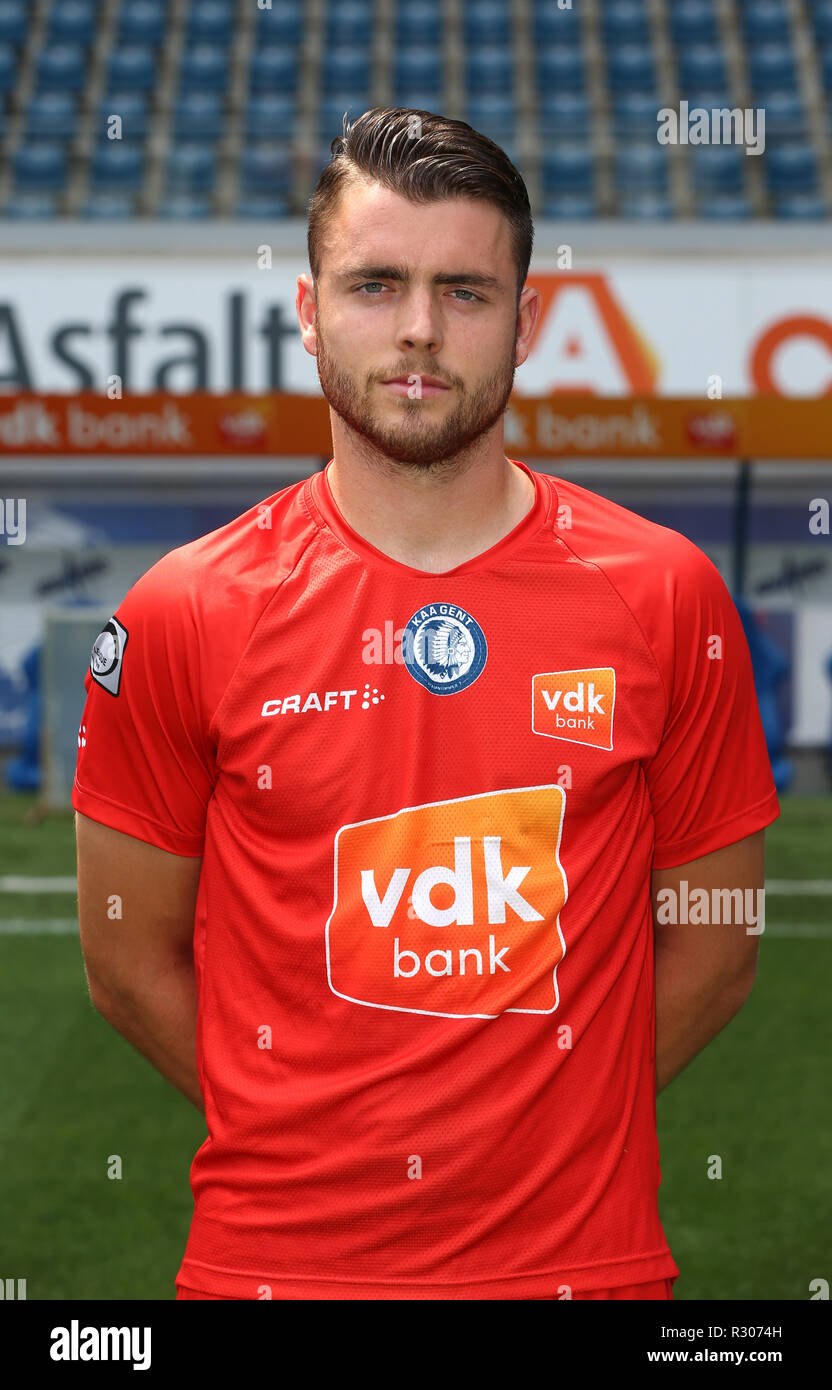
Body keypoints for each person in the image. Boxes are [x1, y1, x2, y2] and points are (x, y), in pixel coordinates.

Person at [73, 108, 779, 1301]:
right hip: (275, 1274)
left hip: (582, 1273)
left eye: (462, 289)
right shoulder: (185, 609)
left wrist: (539, 1125)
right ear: (306, 313)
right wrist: (317, 1124)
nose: (416, 329)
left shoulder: (664, 593)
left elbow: (715, 939)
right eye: (374, 284)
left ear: (525, 318)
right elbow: (123, 956)